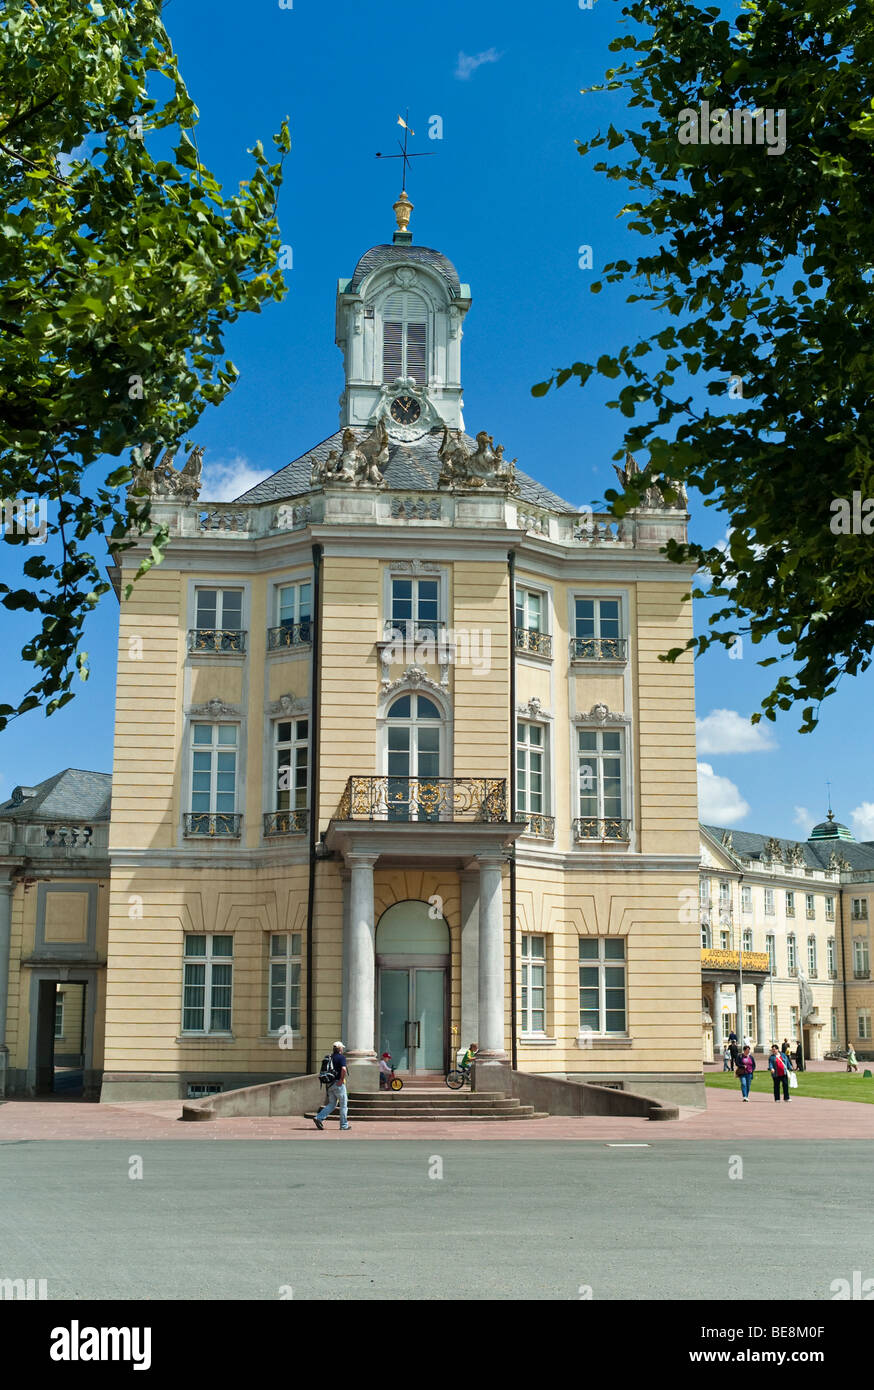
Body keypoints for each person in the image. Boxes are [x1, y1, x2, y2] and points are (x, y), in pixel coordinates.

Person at [312, 1041, 351, 1131]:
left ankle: (319, 1117)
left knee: (332, 1104)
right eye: (342, 1048)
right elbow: (344, 1069)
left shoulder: (330, 1057)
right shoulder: (341, 1058)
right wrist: (341, 1080)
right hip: (338, 1084)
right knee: (343, 1105)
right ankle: (344, 1125)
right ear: (340, 1049)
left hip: (329, 1084)